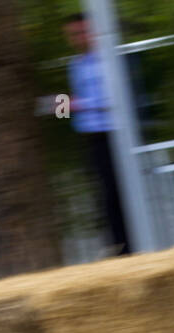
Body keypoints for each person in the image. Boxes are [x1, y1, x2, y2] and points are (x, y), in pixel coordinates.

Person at [64, 12, 131, 255]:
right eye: (73, 34)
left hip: (113, 134)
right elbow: (73, 105)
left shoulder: (108, 60)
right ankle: (118, 244)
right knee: (103, 192)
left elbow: (111, 98)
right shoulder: (76, 64)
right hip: (92, 137)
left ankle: (127, 246)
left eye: (83, 31)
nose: (79, 37)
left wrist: (71, 104)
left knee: (117, 191)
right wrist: (62, 108)